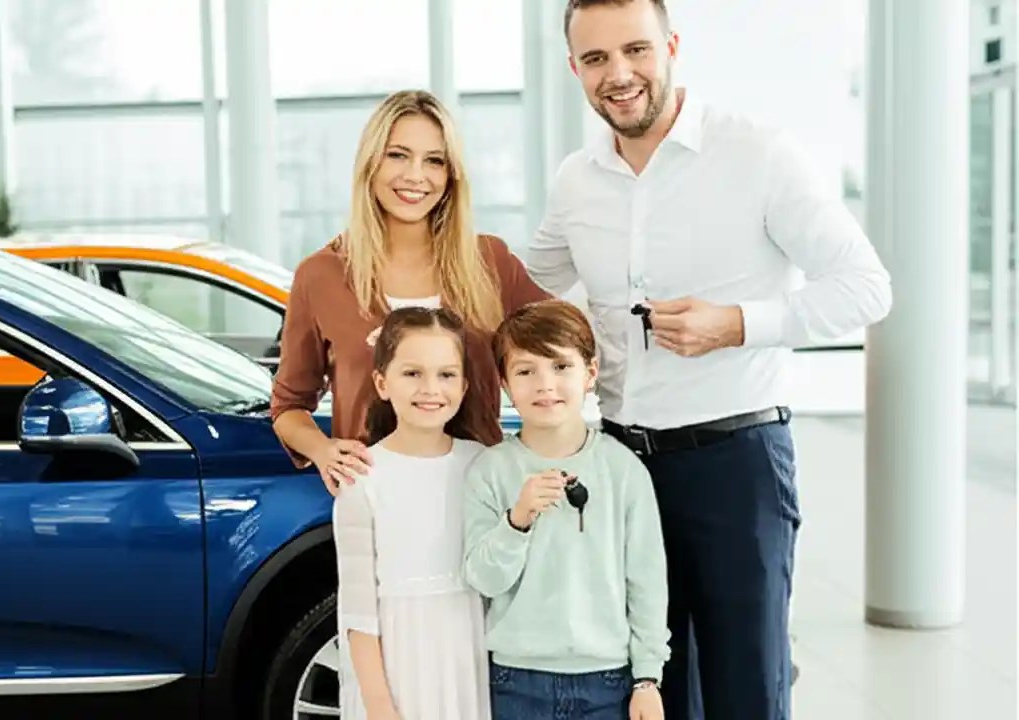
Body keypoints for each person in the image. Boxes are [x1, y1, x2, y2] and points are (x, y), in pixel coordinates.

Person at [526, 1, 894, 718]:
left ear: (672, 46)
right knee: (647, 689)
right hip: (622, 471)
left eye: (636, 50)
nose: (619, 74)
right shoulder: (577, 180)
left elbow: (866, 289)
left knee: (745, 690)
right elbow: (521, 285)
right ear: (575, 69)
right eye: (596, 59)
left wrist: (735, 325)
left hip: (736, 463)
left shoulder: (757, 154)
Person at [270, 89, 551, 495]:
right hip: (376, 498)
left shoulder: (491, 262)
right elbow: (288, 405)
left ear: (450, 175)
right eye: (398, 155)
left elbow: (560, 357)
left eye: (434, 160)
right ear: (371, 162)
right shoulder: (321, 275)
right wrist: (324, 450)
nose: (415, 176)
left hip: (484, 500)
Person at [462, 299, 668, 720]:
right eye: (525, 371)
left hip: (607, 679)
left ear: (590, 373)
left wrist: (648, 679)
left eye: (560, 367)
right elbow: (483, 579)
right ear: (504, 382)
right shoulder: (490, 471)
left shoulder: (623, 470)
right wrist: (517, 521)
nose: (544, 384)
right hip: (515, 678)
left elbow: (646, 582)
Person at [334, 306, 492, 719]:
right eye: (412, 373)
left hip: (467, 661)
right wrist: (379, 704)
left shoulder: (484, 466)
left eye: (445, 374)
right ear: (382, 383)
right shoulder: (362, 476)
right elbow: (357, 610)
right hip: (395, 669)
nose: (430, 389)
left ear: (464, 385)